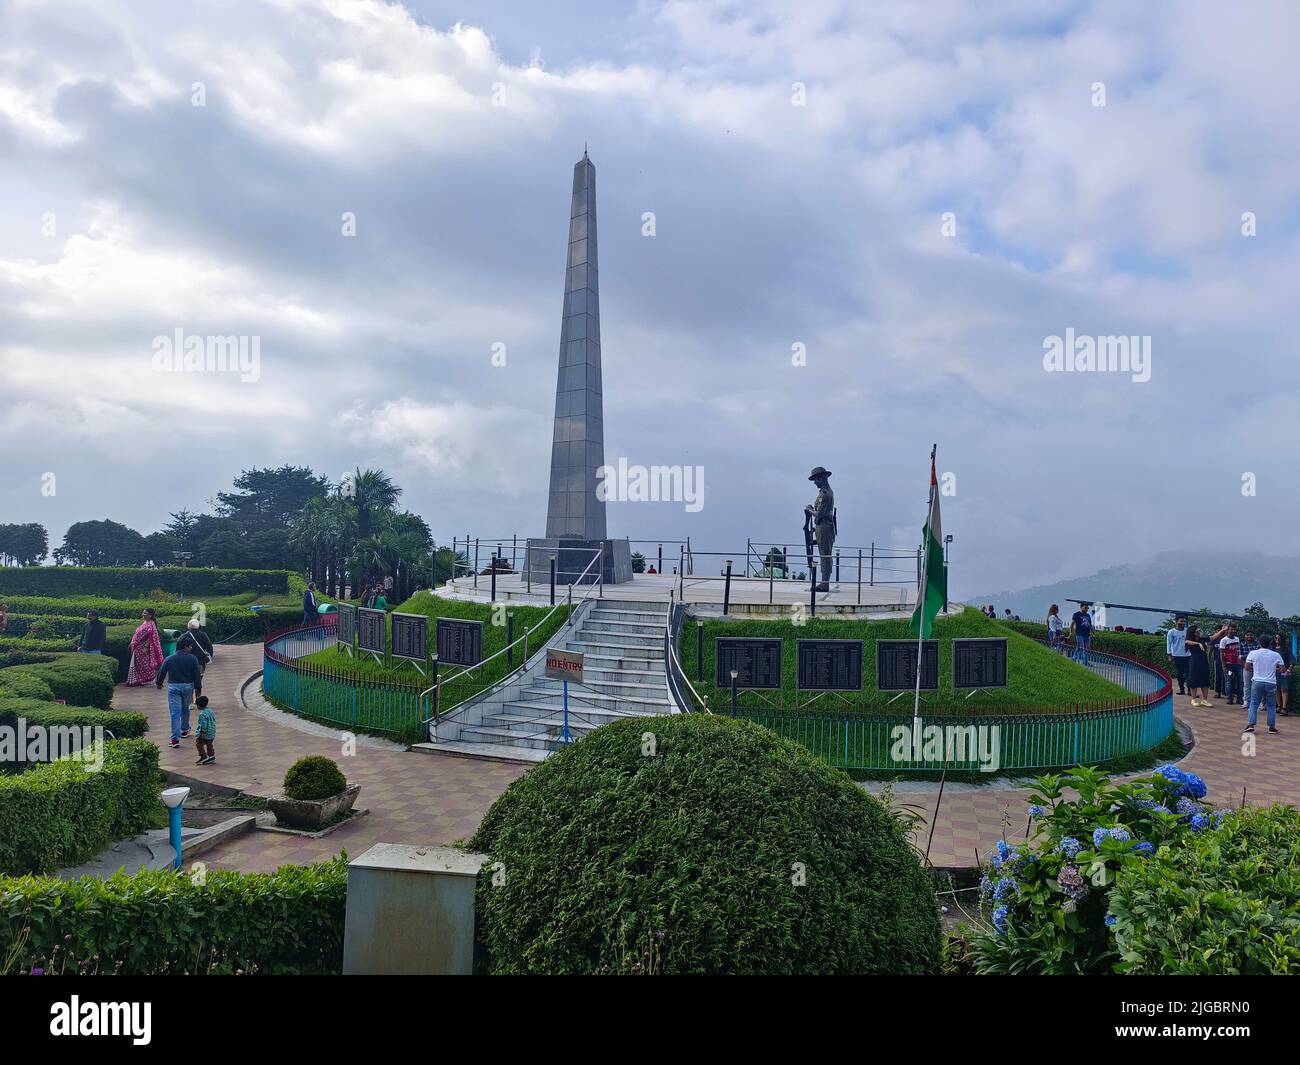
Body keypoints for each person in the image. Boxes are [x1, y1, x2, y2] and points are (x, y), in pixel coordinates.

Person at [155, 641, 204, 749]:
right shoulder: (192, 659)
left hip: (173, 687)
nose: (191, 647)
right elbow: (196, 674)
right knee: (185, 709)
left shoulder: (169, 658)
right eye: (190, 646)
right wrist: (198, 689)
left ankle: (175, 739)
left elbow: (162, 671)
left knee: (175, 713)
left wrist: (159, 683)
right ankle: (185, 729)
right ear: (185, 647)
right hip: (188, 686)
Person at [1244, 634, 1283, 735]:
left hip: (1257, 681)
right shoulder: (1276, 655)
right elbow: (1282, 669)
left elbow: (1247, 667)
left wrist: (1256, 670)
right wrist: (1274, 669)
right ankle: (1271, 727)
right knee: (1271, 705)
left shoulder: (1253, 653)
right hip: (1271, 682)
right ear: (1270, 643)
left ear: (1259, 643)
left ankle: (1251, 725)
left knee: (1254, 703)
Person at [127, 608, 164, 687]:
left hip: (144, 648)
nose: (143, 614)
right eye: (143, 613)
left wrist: (146, 647)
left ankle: (150, 679)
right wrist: (132, 642)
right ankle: (139, 679)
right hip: (138, 647)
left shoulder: (151, 624)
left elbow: (151, 637)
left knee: (145, 665)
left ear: (150, 615)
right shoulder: (145, 622)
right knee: (138, 665)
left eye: (145, 613)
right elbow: (137, 634)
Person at [1183, 624, 1212, 706]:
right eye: (1197, 631)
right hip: (1194, 660)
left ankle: (1205, 700)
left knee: (1205, 679)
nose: (1199, 632)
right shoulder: (1189, 639)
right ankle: (1193, 699)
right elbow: (1186, 641)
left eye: (1199, 631)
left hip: (1203, 660)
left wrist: (1222, 631)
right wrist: (1197, 644)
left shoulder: (1202, 639)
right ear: (1193, 632)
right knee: (1194, 679)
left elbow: (1212, 637)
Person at [1216, 623, 1244, 706]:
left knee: (1240, 681)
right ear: (1228, 630)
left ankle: (1239, 698)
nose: (1233, 631)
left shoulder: (1237, 639)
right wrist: (1223, 665)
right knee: (1229, 681)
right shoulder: (1224, 640)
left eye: (1235, 629)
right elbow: (1221, 653)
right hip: (1228, 664)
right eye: (1231, 629)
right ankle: (1229, 698)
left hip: (1238, 664)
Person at [1165, 616, 1190, 695]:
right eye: (1181, 621)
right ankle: (1181, 689)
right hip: (1177, 655)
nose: (1183, 623)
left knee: (1189, 673)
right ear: (1176, 622)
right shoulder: (1171, 632)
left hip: (1188, 655)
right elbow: (1169, 643)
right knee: (1180, 673)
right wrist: (1169, 655)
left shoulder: (1187, 631)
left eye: (1184, 622)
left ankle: (1190, 690)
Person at [194, 695, 216, 765]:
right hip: (212, 731)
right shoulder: (210, 711)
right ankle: (211, 755)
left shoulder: (202, 714)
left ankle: (203, 755)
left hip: (205, 733)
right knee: (209, 744)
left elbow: (203, 725)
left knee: (199, 744)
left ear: (199, 706)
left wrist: (201, 733)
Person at [1277, 636, 1293, 717]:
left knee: (1284, 688)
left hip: (1284, 672)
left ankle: (1284, 708)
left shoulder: (1286, 649)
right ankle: (1279, 706)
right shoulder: (1272, 648)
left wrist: (1288, 670)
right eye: (1276, 638)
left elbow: (1292, 661)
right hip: (1275, 672)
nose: (1277, 639)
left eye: (1279, 638)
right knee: (1277, 689)